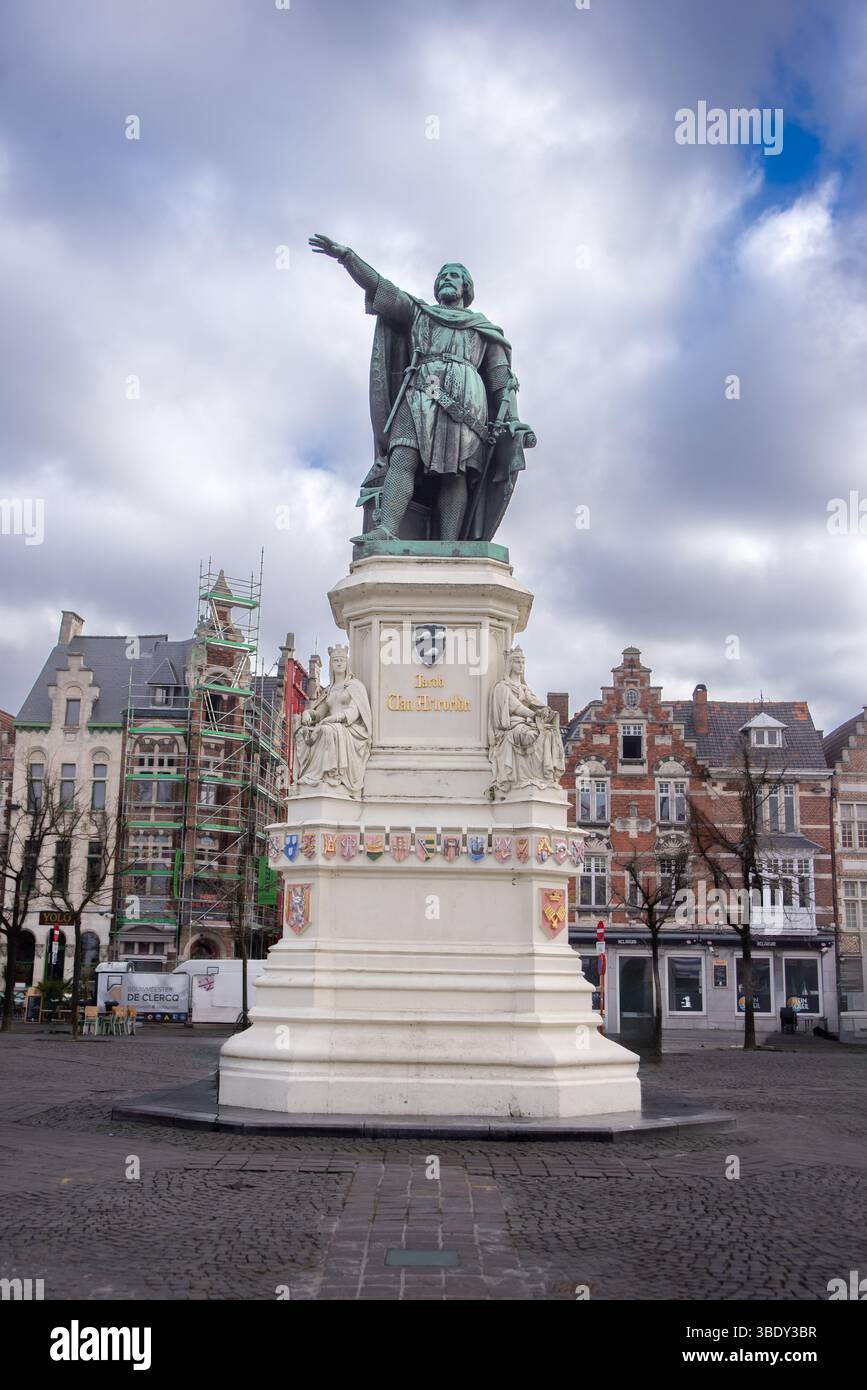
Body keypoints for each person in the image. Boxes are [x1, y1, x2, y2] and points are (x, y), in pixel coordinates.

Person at [309, 233, 535, 542]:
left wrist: (510, 420)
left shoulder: (484, 330)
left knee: (454, 474)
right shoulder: (419, 314)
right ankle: (386, 529)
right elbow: (381, 287)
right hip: (420, 391)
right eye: (442, 275)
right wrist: (348, 257)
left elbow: (500, 379)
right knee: (402, 455)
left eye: (454, 275)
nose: (446, 279)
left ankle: (450, 546)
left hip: (466, 402)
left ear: (466, 287)